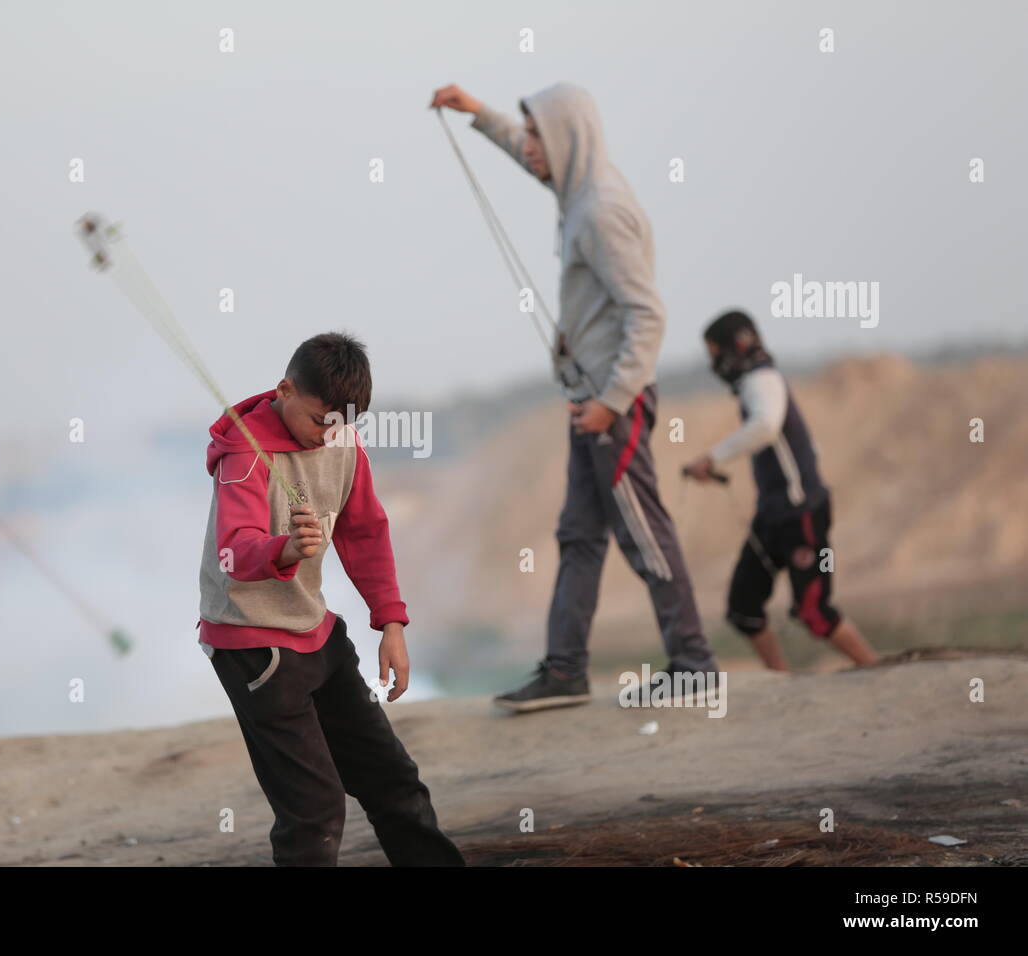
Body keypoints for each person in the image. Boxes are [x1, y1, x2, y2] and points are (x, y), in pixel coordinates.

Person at [431, 83, 718, 711]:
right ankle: (565, 670)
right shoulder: (577, 187)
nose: (529, 147)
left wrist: (613, 402)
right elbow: (522, 148)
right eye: (529, 136)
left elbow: (648, 315)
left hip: (611, 407)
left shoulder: (600, 211)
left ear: (565, 140)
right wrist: (476, 113)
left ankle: (694, 662)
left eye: (538, 137)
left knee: (643, 534)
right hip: (590, 403)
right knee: (579, 535)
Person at [197, 332, 463, 866]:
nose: (329, 435)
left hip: (317, 633)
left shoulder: (341, 442)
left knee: (394, 780)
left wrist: (390, 623)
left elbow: (364, 532)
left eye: (342, 424)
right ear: (284, 390)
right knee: (314, 812)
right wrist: (284, 549)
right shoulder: (243, 457)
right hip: (254, 646)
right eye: (320, 419)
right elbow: (232, 550)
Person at [683, 310, 879, 670]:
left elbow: (766, 427)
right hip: (772, 516)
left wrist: (712, 459)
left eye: (713, 353)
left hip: (801, 514)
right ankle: (781, 684)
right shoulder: (756, 384)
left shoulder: (763, 380)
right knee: (744, 609)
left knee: (813, 611)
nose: (713, 364)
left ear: (728, 349)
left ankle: (878, 671)